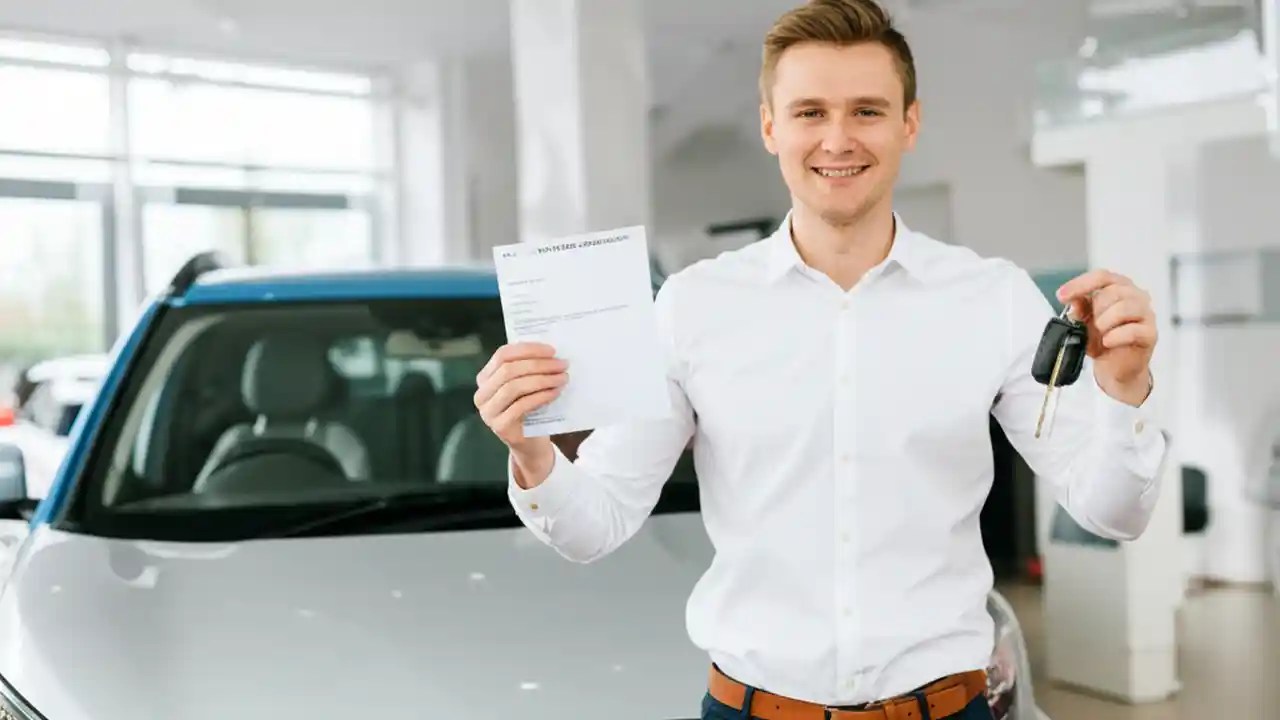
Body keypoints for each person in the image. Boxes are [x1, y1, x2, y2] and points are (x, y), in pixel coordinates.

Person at [472, 1, 1168, 718]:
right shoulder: (692, 306)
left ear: (910, 123)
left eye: (867, 110)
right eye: (809, 112)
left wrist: (1124, 389)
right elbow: (596, 525)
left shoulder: (992, 298)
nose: (838, 138)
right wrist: (530, 452)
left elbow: (1113, 511)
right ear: (771, 126)